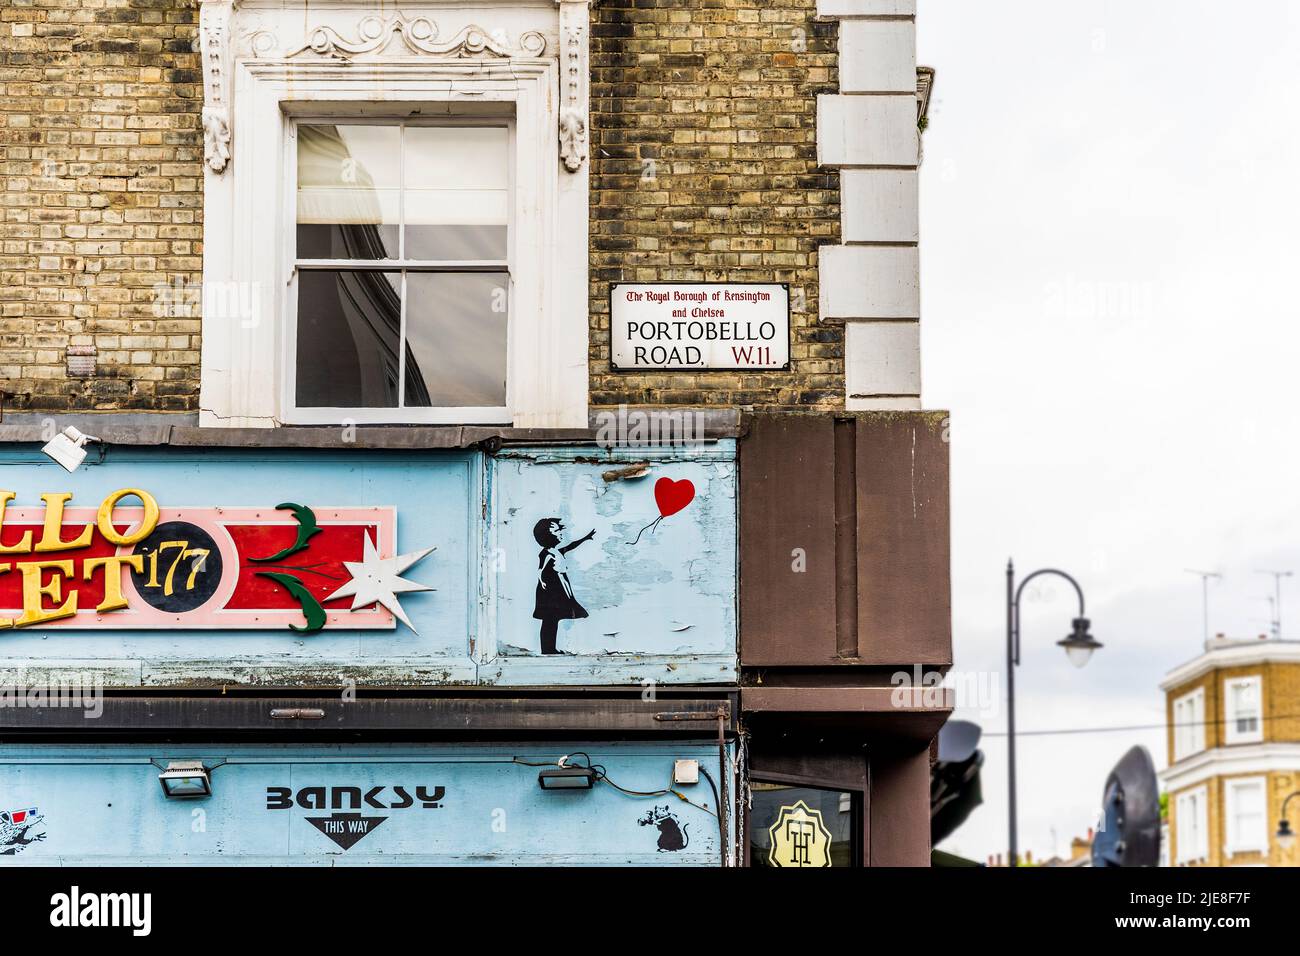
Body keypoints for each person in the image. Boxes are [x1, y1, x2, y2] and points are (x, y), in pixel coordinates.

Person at [532, 518, 595, 654]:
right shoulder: (546, 553)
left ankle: (549, 649)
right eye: (556, 531)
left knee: (553, 619)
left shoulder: (557, 551)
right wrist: (541, 579)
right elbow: (541, 569)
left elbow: (571, 545)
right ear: (547, 535)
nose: (560, 533)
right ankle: (548, 649)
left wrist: (585, 538)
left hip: (558, 587)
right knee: (550, 619)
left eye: (559, 530)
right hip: (550, 590)